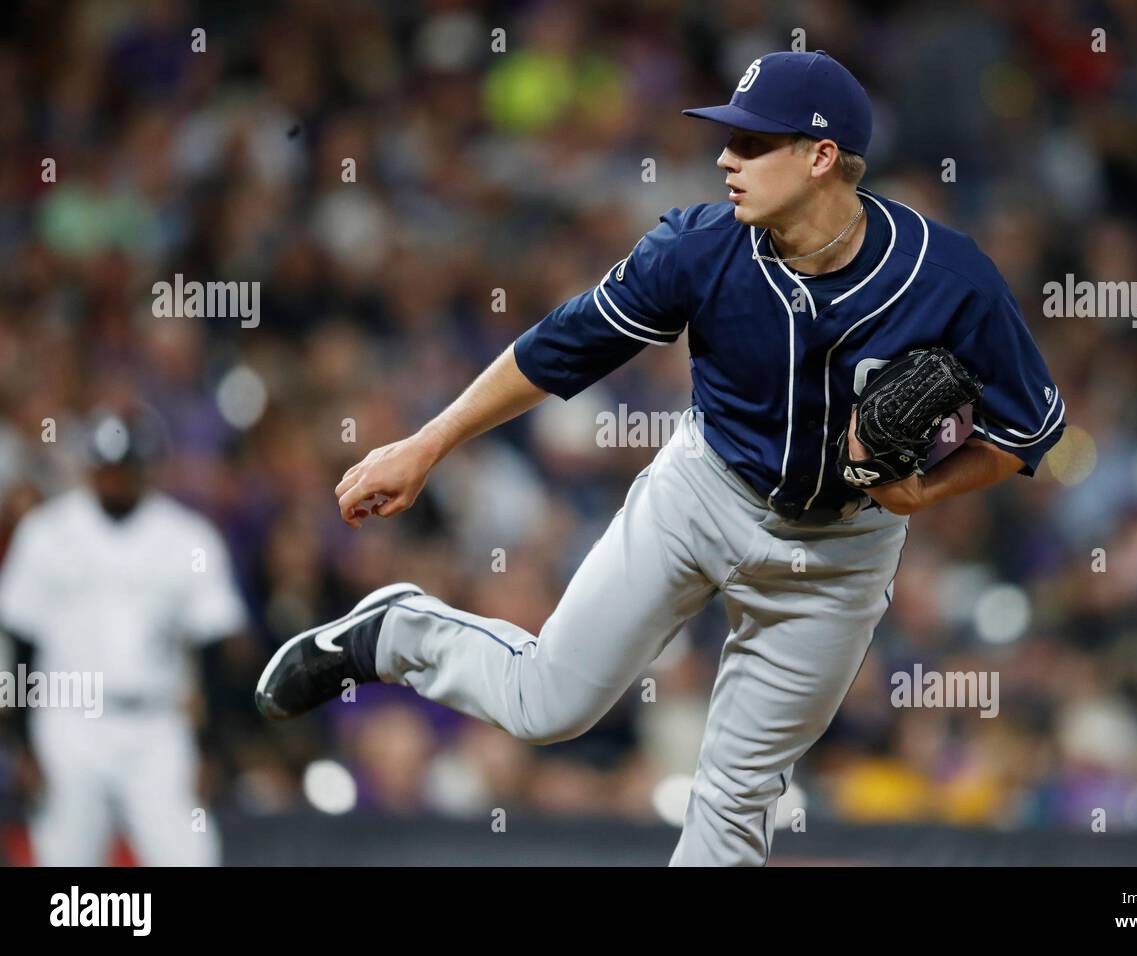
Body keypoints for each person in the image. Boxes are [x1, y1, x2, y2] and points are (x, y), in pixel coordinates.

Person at [256, 50, 1066, 866]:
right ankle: (394, 633)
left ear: (822, 158)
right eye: (728, 141)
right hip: (703, 490)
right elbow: (559, 347)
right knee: (547, 705)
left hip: (841, 552)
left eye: (752, 144)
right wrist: (429, 442)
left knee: (737, 799)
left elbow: (1027, 433)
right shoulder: (699, 248)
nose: (725, 158)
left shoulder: (949, 278)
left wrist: (926, 493)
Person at [0, 406, 249, 865]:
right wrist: (22, 742)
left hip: (157, 724)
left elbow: (213, 645)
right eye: (106, 467)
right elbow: (20, 643)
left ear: (146, 468)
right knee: (64, 868)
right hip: (67, 723)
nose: (114, 478)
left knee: (190, 857)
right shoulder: (46, 533)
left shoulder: (187, 538)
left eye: (125, 467)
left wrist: (212, 745)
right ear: (90, 467)